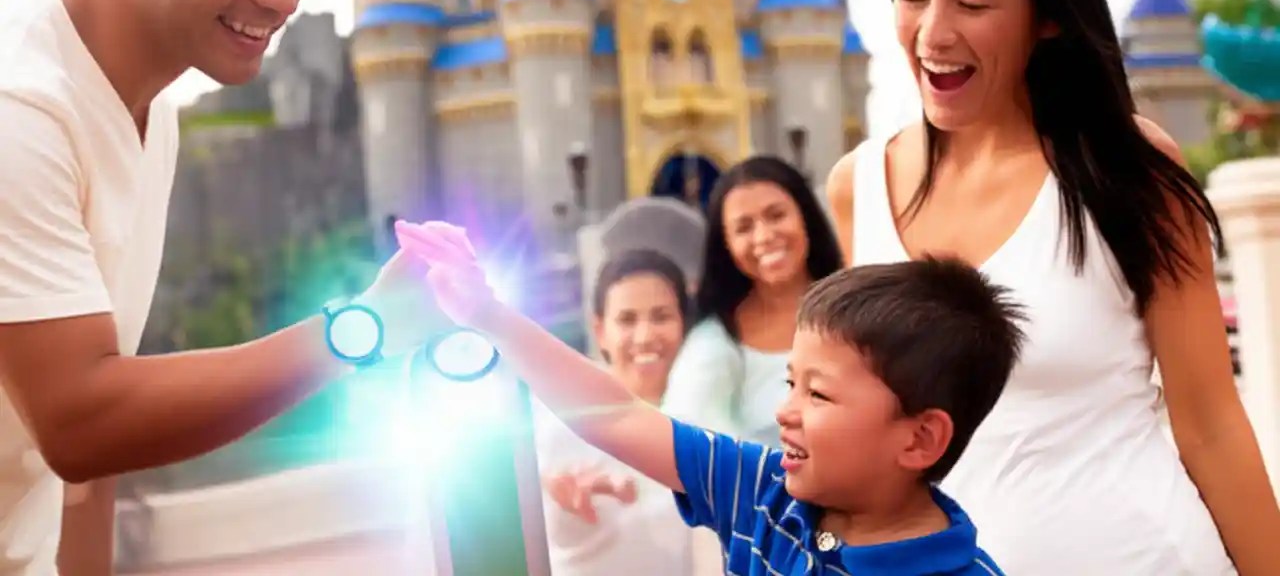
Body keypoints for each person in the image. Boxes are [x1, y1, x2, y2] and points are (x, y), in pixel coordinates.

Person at [824, 0, 1280, 573]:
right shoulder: (861, 187)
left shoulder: (1126, 168)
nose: (933, 32)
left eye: (972, 2)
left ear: (1047, 18)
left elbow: (1212, 425)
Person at [0, 0, 450, 575]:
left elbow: (95, 458)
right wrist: (364, 328)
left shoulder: (149, 108)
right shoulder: (19, 109)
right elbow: (81, 420)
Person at [394, 220, 1027, 576]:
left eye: (818, 394)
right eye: (789, 383)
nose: (786, 412)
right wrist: (488, 314)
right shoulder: (762, 491)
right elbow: (615, 413)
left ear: (920, 438)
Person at [663, 156, 843, 447]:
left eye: (776, 215)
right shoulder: (714, 343)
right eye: (743, 227)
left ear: (805, 216)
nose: (765, 236)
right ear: (726, 245)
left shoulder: (861, 311)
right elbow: (689, 445)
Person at [535, 249, 695, 575]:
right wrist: (556, 496)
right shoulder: (563, 424)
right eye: (627, 320)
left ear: (684, 323)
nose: (645, 336)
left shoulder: (702, 416)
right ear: (600, 332)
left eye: (661, 316)